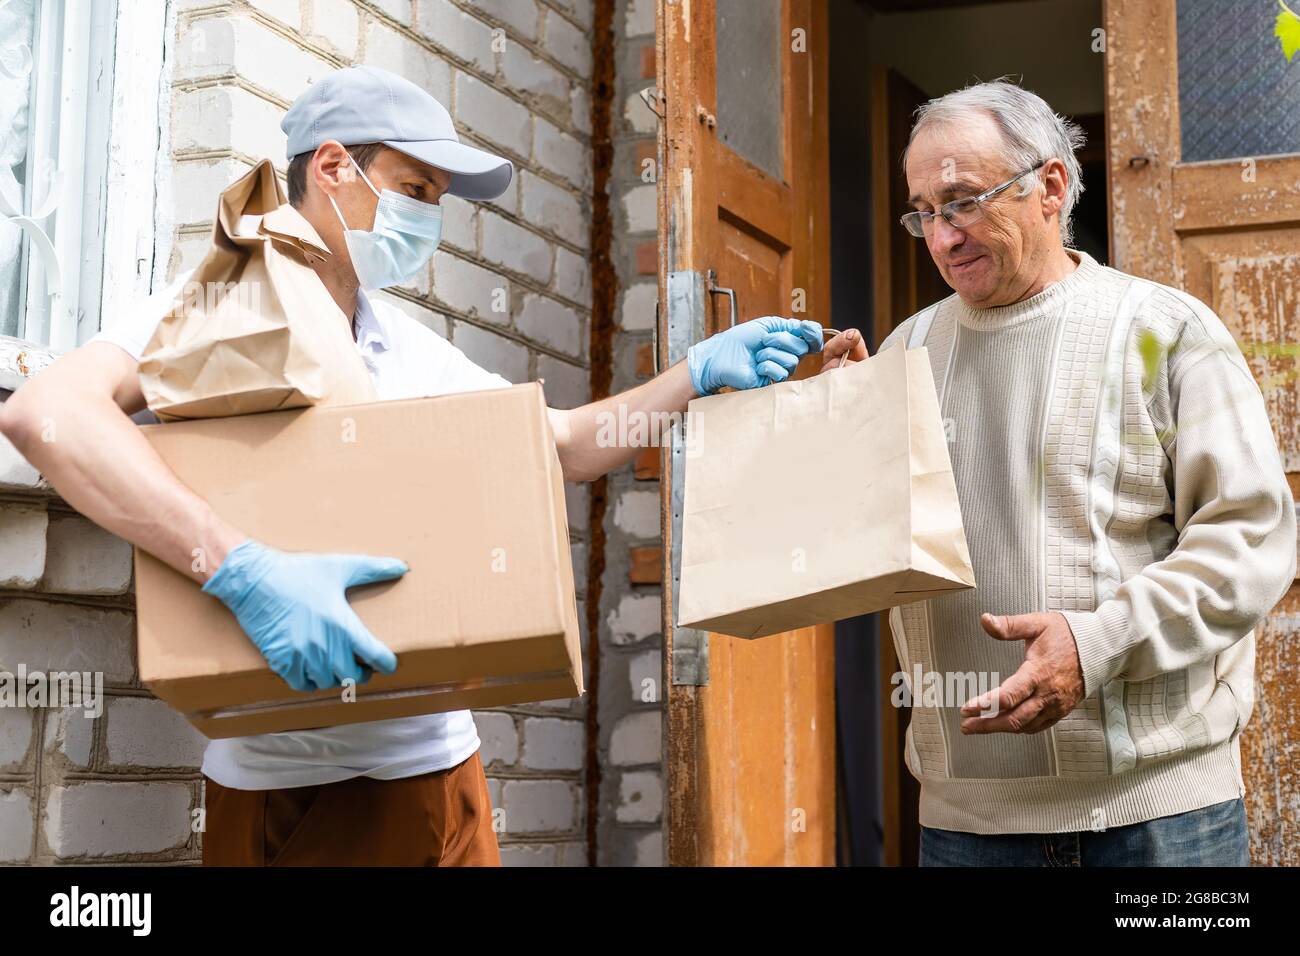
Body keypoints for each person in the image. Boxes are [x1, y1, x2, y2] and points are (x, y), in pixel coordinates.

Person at [0, 66, 842, 866]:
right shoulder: (221, 309)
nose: (428, 223)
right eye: (414, 193)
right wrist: (240, 571)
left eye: (436, 204)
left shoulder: (394, 336)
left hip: (447, 770)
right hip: (306, 793)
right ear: (333, 167)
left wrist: (690, 375)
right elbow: (46, 414)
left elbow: (560, 444)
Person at [820, 79, 1295, 867]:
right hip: (964, 829)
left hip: (1159, 823)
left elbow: (1253, 538)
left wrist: (1097, 640)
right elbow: (862, 561)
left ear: (1051, 185)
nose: (942, 239)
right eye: (923, 213)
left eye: (964, 201)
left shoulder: (1167, 330)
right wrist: (832, 435)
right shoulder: (901, 356)